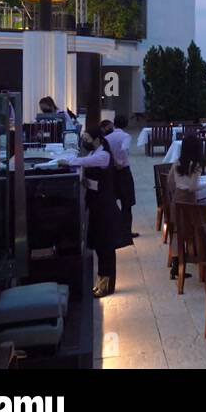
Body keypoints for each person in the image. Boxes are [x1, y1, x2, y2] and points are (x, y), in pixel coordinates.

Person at [58, 128, 125, 298]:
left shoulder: (103, 155)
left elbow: (84, 163)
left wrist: (68, 162)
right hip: (97, 206)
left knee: (105, 248)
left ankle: (106, 285)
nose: (84, 141)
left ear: (96, 140)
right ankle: (101, 283)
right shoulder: (95, 152)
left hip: (105, 208)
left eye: (86, 138)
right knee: (101, 248)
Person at [167, 134, 206, 279]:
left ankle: (176, 264)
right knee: (193, 231)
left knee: (177, 232)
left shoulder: (177, 162)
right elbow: (193, 188)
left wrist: (175, 193)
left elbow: (170, 181)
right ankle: (200, 260)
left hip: (177, 199)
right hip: (188, 201)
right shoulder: (196, 166)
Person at [101, 116, 137, 239]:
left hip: (111, 172)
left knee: (112, 201)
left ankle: (112, 229)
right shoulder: (125, 136)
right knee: (127, 203)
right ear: (126, 124)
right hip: (123, 171)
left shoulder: (106, 138)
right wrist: (120, 161)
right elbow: (124, 149)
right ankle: (126, 231)